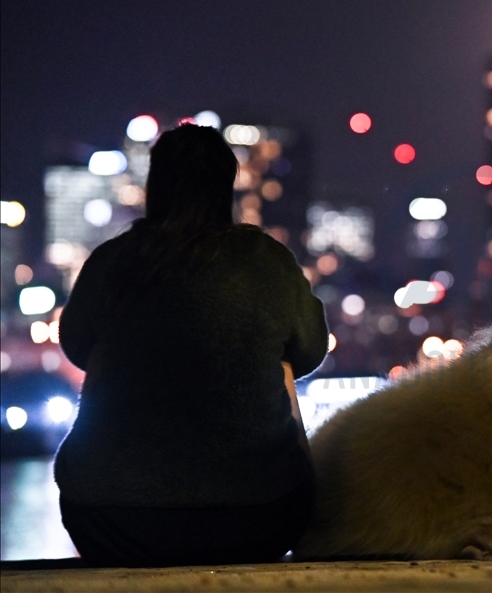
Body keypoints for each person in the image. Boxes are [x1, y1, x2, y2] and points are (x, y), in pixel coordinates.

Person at [54, 124, 328, 567]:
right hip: (258, 521)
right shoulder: (266, 262)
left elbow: (76, 348)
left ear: (154, 187)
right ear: (227, 187)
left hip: (110, 522)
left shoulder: (111, 261)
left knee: (106, 350)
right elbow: (311, 351)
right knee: (280, 363)